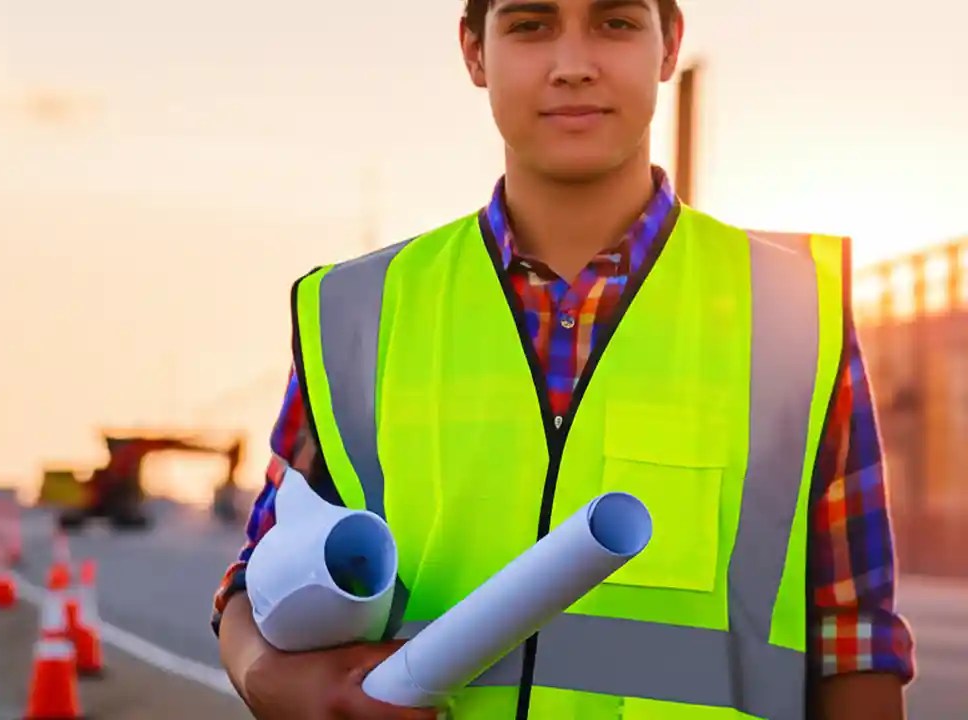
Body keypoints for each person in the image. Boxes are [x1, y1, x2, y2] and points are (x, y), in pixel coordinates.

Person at [212, 1, 916, 718]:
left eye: (614, 22)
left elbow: (854, 638)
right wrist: (266, 676)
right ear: (474, 53)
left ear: (668, 45)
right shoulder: (358, 311)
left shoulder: (794, 309)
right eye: (530, 24)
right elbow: (260, 572)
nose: (573, 64)